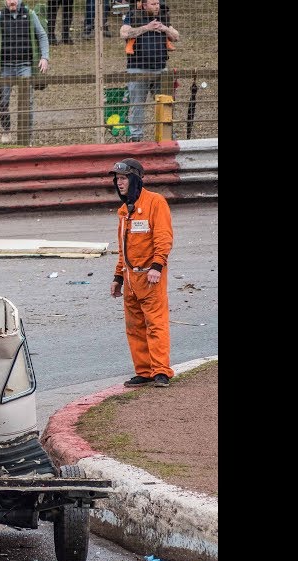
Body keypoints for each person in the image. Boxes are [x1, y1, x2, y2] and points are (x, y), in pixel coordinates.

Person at [108, 158, 174, 388]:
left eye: (123, 178)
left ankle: (161, 371)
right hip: (130, 278)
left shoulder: (156, 202)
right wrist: (118, 277)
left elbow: (164, 237)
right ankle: (144, 371)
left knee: (156, 324)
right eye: (117, 179)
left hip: (150, 276)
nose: (119, 183)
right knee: (134, 326)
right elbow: (123, 248)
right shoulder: (124, 211)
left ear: (135, 179)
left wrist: (157, 265)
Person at [0, 0, 49, 144]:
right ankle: (6, 131)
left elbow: (42, 35)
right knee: (3, 101)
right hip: (5, 66)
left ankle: (27, 136)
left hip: (25, 66)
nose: (12, 1)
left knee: (27, 102)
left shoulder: (30, 14)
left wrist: (45, 58)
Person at [121, 0, 179, 142]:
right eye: (153, 4)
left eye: (158, 3)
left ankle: (167, 136)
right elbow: (124, 34)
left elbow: (176, 36)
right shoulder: (133, 15)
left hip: (161, 69)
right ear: (144, 5)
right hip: (138, 69)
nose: (157, 6)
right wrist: (147, 27)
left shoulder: (163, 16)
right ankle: (135, 137)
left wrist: (164, 28)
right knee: (137, 105)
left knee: (165, 103)